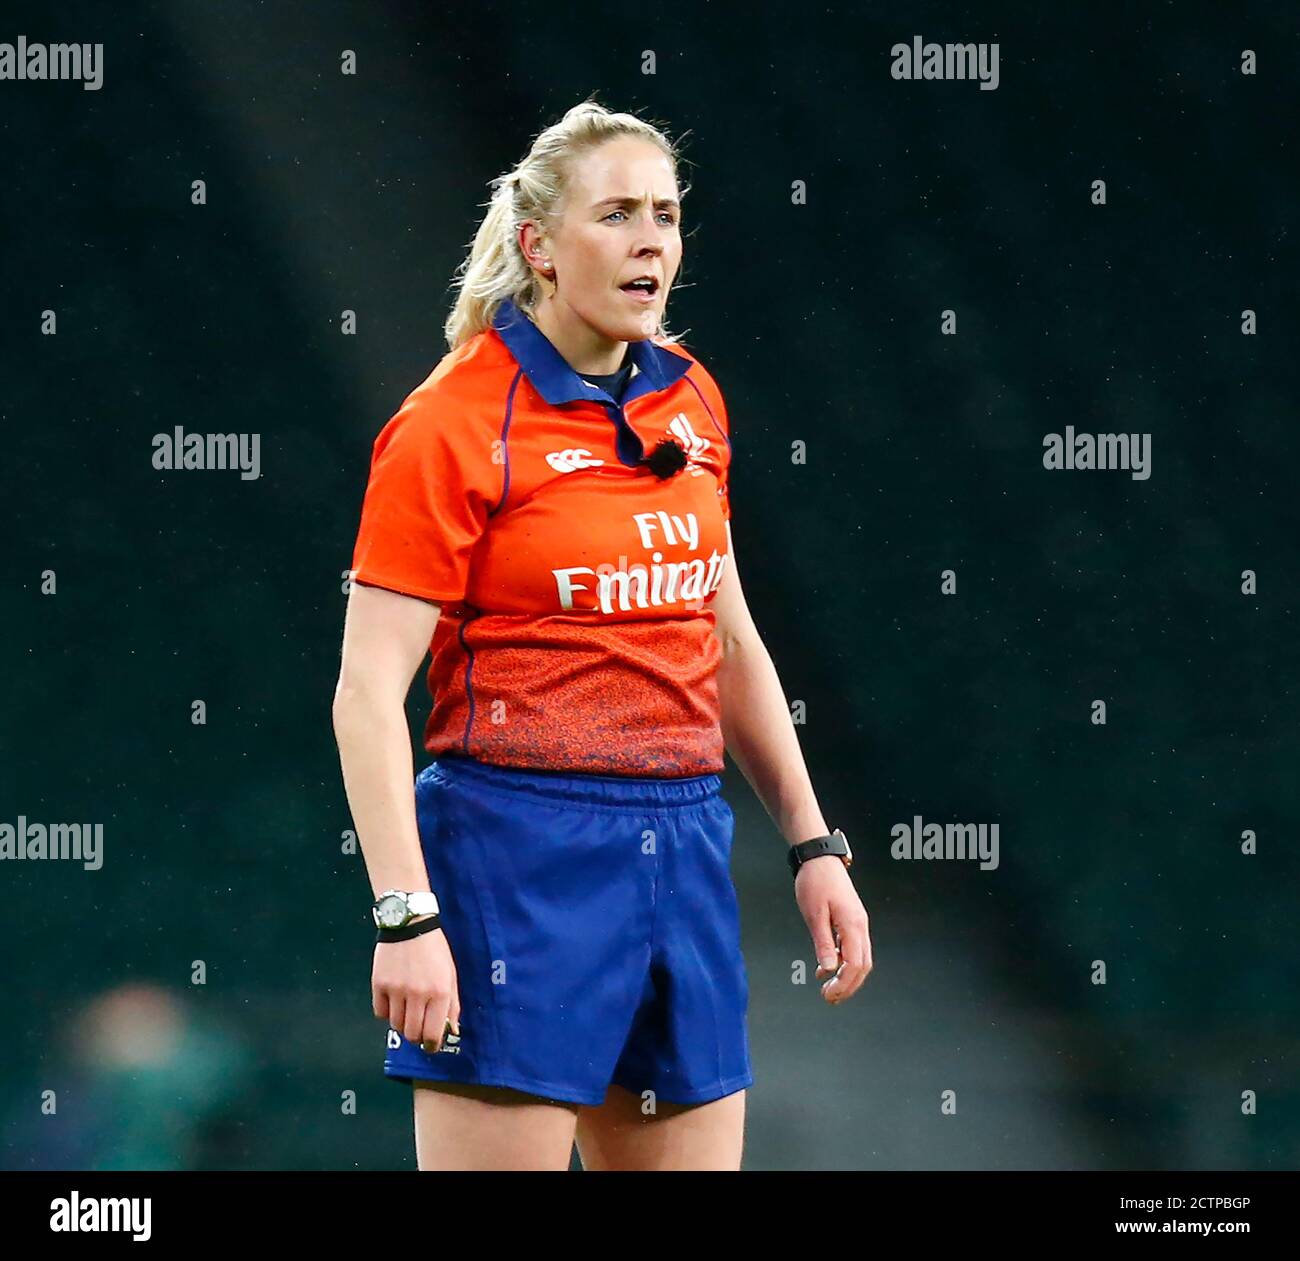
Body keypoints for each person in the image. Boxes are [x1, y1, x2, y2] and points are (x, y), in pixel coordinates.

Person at [332, 98, 872, 1172]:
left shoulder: (693, 401)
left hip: (683, 844)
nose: (649, 242)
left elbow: (729, 641)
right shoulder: (451, 422)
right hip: (514, 853)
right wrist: (405, 914)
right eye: (615, 213)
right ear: (537, 244)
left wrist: (814, 846)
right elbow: (364, 688)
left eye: (665, 216)